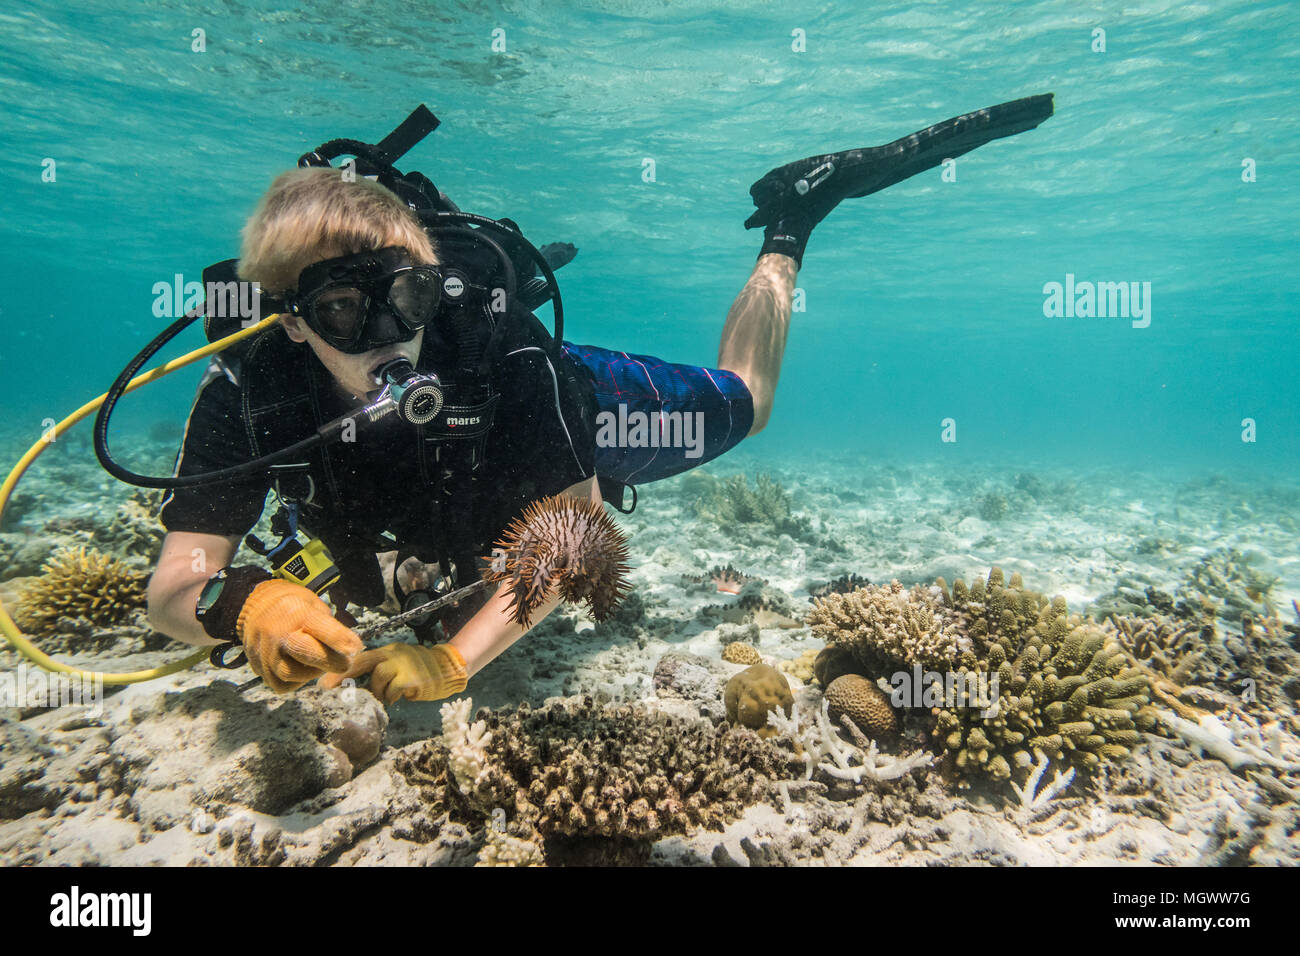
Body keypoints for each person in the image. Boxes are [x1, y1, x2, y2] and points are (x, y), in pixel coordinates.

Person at [146, 94, 1053, 705]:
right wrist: (244, 606)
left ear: (437, 288)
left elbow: (574, 536)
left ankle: (793, 215)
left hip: (586, 415)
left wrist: (458, 658)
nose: (390, 333)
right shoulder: (250, 386)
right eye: (344, 310)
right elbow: (172, 587)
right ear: (291, 322)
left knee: (750, 399)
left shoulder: (497, 344)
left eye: (409, 299)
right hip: (446, 508)